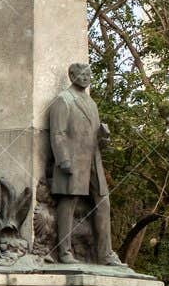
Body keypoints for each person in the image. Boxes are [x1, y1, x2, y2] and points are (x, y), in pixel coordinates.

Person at [46, 62, 117, 265]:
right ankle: (64, 252)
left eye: (89, 74)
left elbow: (95, 137)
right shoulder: (63, 100)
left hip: (94, 160)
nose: (86, 78)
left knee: (103, 202)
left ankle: (105, 254)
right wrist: (63, 159)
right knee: (68, 203)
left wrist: (104, 139)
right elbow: (57, 133)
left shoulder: (91, 103)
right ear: (71, 75)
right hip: (73, 160)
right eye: (82, 74)